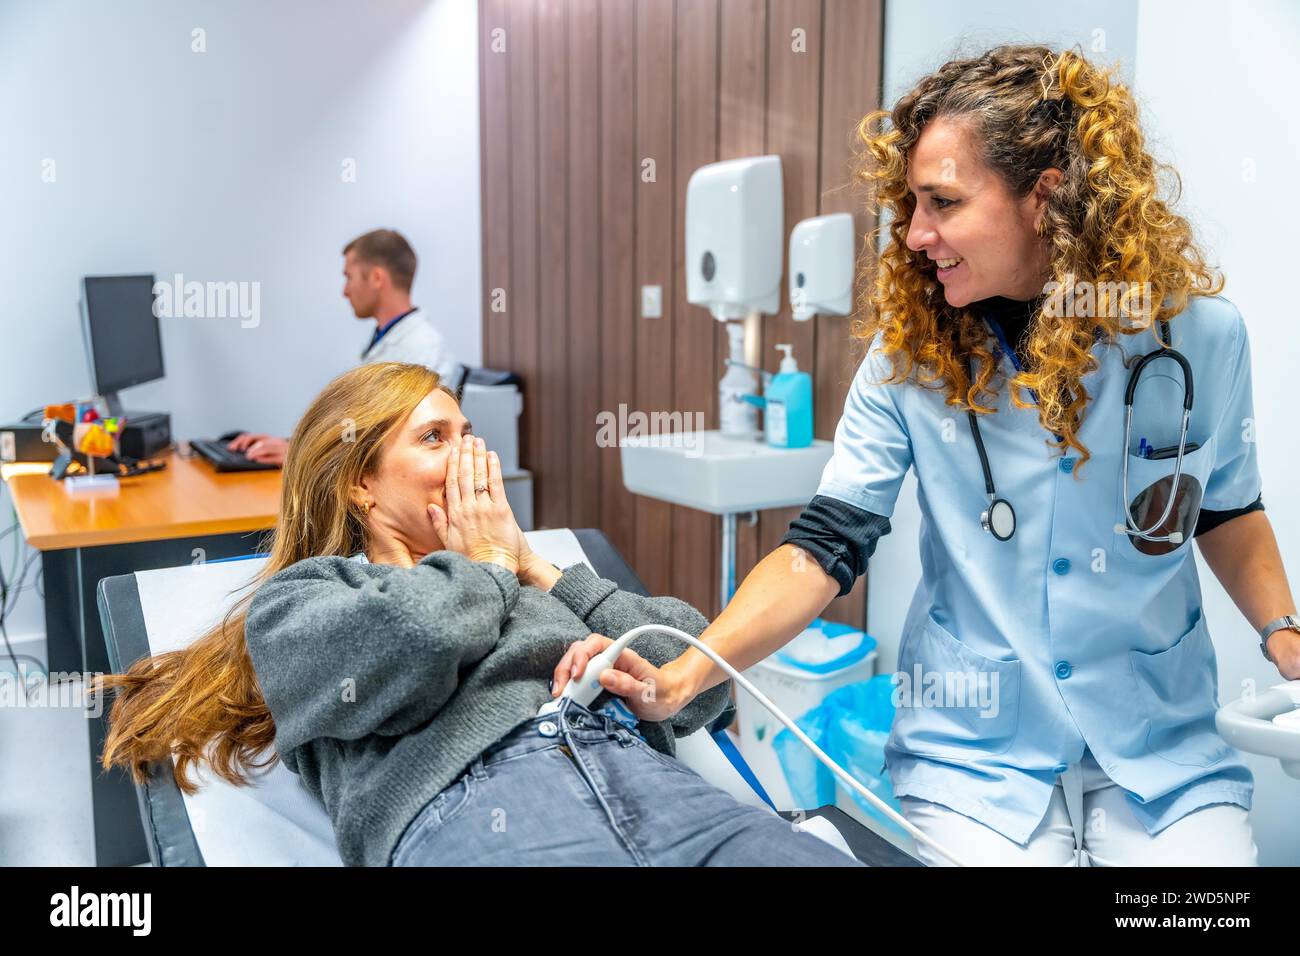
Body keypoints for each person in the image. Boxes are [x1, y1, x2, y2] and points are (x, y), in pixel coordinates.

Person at [552, 44, 1300, 866]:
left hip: (1159, 748)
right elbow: (824, 546)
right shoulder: (909, 359)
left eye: (941, 202)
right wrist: (689, 673)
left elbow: (1227, 508)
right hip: (976, 754)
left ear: (1045, 198)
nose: (914, 234)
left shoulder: (1198, 338)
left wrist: (1285, 632)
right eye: (910, 203)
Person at [95, 362, 859, 867]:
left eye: (469, 436)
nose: (470, 459)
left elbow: (705, 670)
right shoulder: (308, 597)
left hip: (655, 789)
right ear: (361, 486)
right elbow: (419, 638)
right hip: (474, 812)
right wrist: (491, 564)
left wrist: (539, 569)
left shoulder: (529, 581)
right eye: (435, 439)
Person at [227, 228, 459, 466]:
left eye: (349, 277)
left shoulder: (423, 350)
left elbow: (386, 443)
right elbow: (360, 426)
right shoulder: (387, 340)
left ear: (377, 278)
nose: (345, 290)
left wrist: (302, 455)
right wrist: (294, 445)